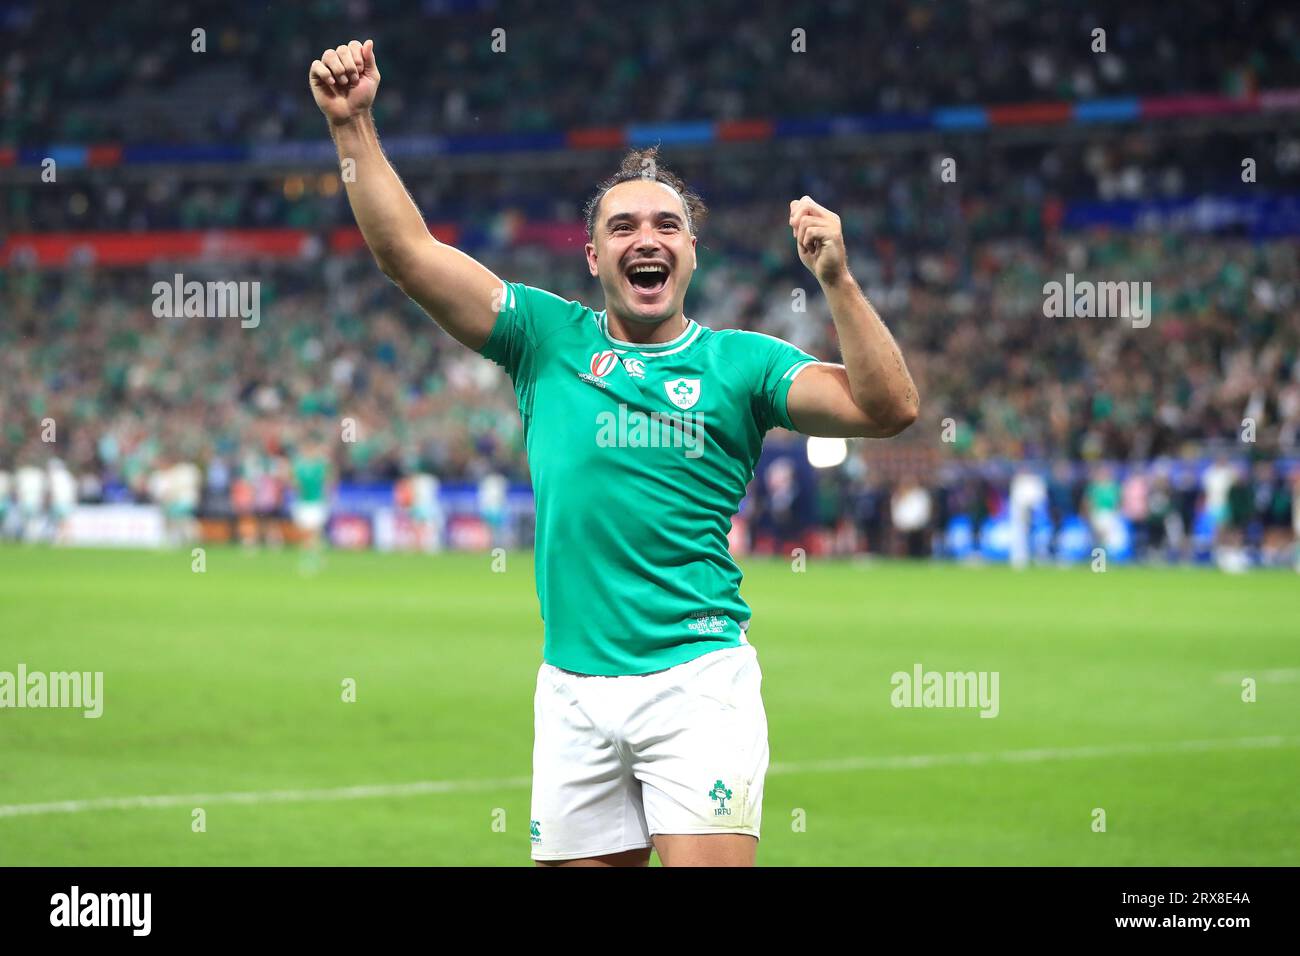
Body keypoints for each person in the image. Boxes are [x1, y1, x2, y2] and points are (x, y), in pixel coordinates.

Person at [310, 39, 918, 867]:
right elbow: (407, 255)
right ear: (593, 256)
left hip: (694, 683)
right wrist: (354, 130)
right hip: (571, 689)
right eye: (622, 225)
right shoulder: (542, 336)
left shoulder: (744, 363)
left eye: (668, 224)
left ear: (691, 253)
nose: (648, 238)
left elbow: (889, 408)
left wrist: (838, 283)